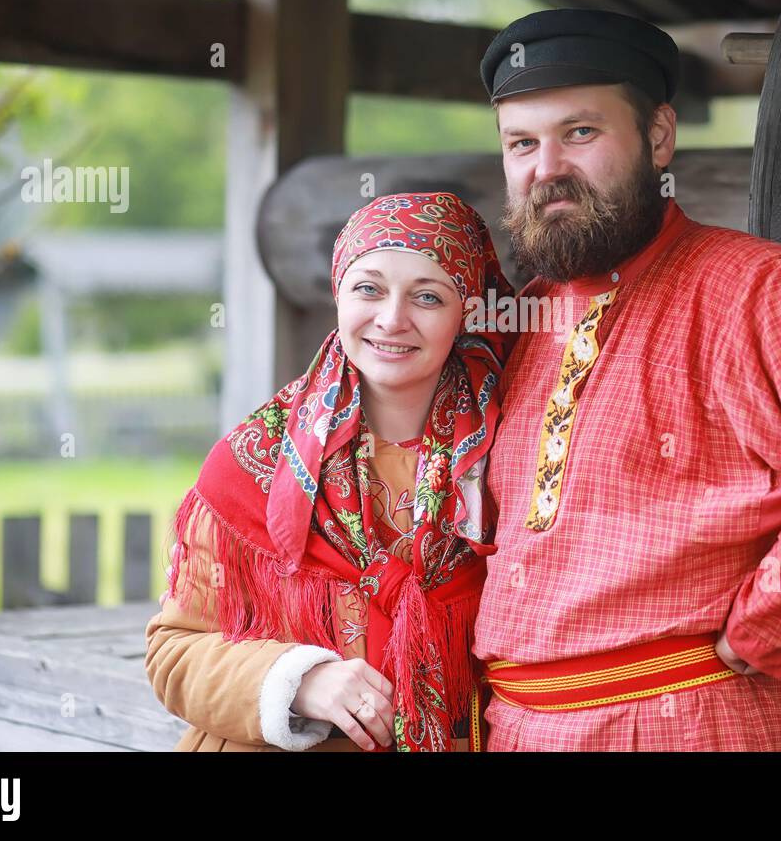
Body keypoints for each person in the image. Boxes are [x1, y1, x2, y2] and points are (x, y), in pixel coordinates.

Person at [472, 8, 781, 750]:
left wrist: (774, 623)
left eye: (580, 133)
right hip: (508, 727)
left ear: (659, 136)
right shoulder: (520, 320)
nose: (547, 169)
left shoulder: (751, 287)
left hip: (678, 722)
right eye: (521, 144)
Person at [145, 191, 512, 752]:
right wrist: (297, 680)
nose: (392, 319)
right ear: (338, 293)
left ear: (466, 310)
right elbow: (176, 653)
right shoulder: (256, 459)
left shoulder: (509, 453)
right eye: (369, 288)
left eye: (428, 296)